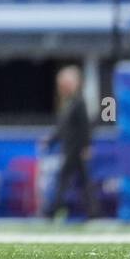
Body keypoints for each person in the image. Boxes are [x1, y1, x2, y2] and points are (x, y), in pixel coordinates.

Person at [40, 66, 98, 220]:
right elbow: (62, 128)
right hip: (70, 148)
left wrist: (86, 146)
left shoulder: (79, 103)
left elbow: (86, 127)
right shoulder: (68, 103)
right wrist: (51, 140)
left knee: (66, 180)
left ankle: (55, 209)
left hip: (76, 149)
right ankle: (91, 212)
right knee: (80, 181)